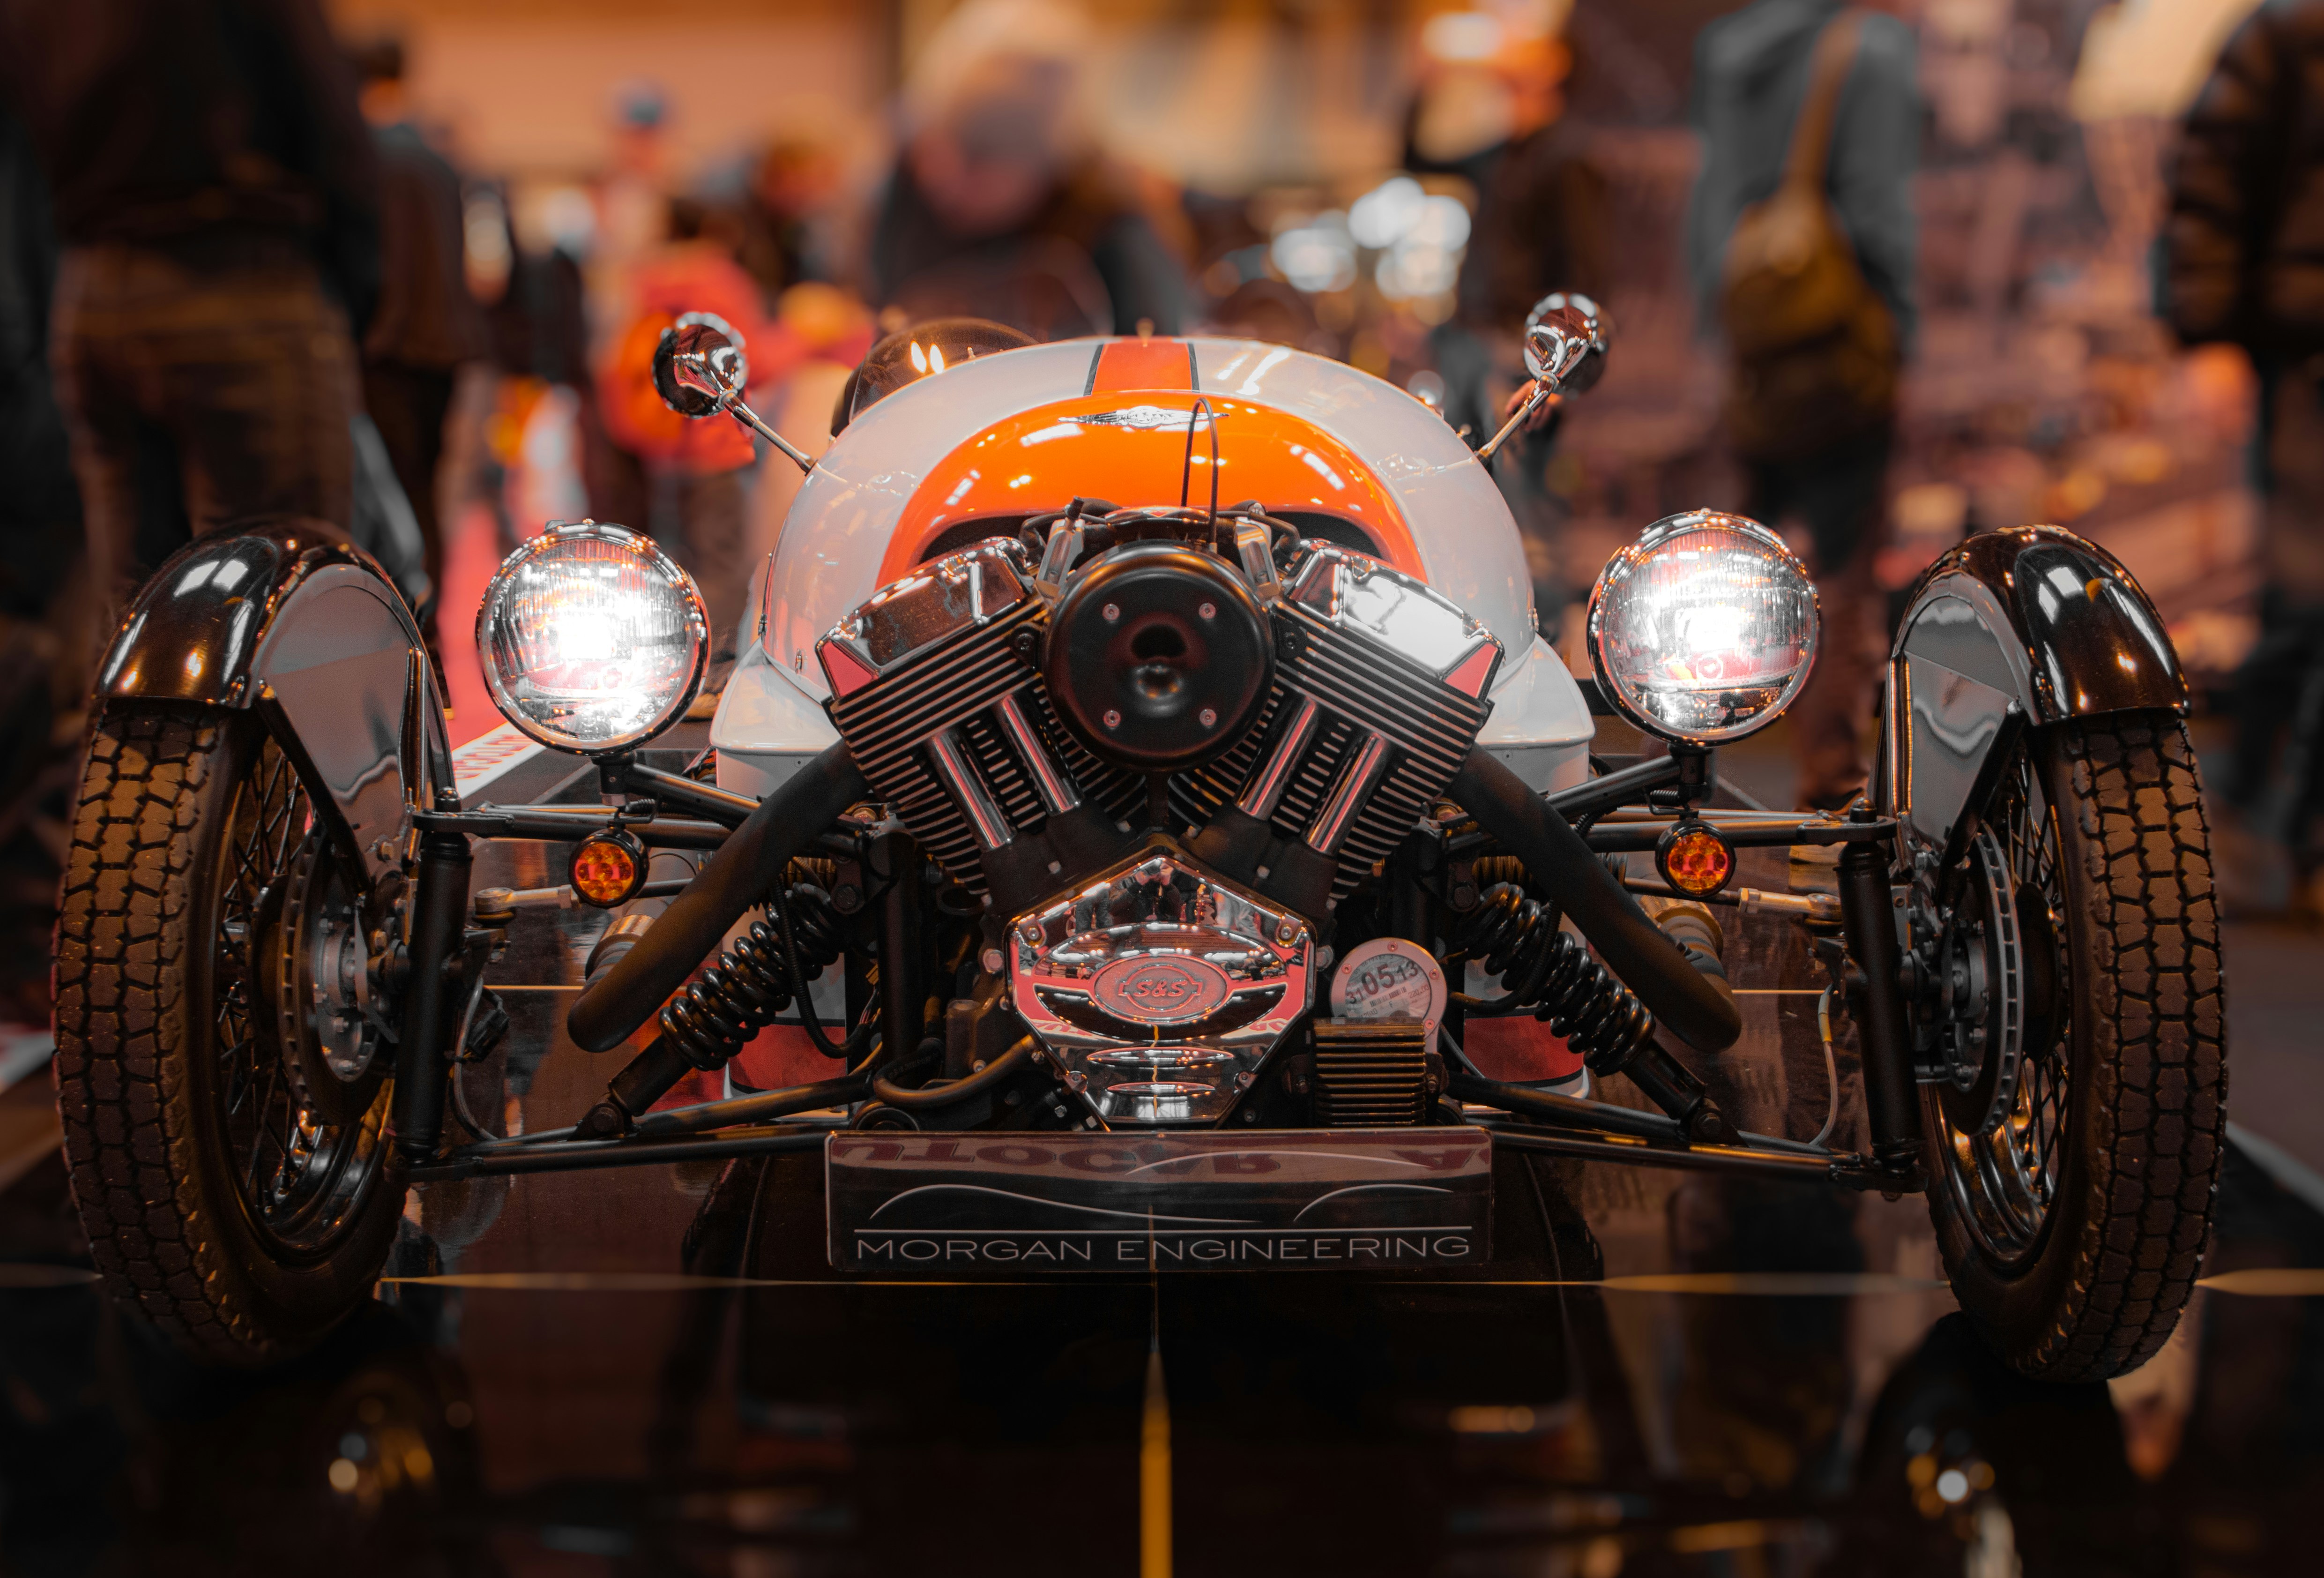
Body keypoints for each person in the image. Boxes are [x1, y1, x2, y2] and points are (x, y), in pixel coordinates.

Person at [0, 0, 379, 627]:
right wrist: (345, 294)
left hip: (92, 285)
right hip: (235, 277)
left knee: (132, 605)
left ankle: (126, 729)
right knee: (280, 598)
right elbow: (329, 118)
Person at [1684, 0, 1919, 812]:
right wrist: (1901, 328)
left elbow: (1709, 196)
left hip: (1751, 341)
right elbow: (1877, 206)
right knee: (1845, 569)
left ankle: (1670, 761)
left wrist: (1719, 324)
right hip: (1836, 344)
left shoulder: (1728, 48)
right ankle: (1832, 778)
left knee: (1719, 563)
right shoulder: (1870, 50)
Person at [2165, 0, 2324, 905]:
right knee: (2307, 597)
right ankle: (2249, 808)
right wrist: (2209, 333)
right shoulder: (2291, 29)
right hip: (2306, 358)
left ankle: (2292, 829)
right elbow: (2211, 177)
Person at [867, 0, 1186, 339]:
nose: (945, 176)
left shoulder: (1114, 235)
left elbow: (1159, 366)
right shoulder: (907, 193)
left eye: (981, 158)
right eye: (939, 143)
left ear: (1046, 169)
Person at [350, 35, 490, 672]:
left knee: (386, 497)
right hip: (443, 351)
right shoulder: (439, 157)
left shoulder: (364, 153)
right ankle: (428, 639)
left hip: (385, 352)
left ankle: (403, 638)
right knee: (428, 493)